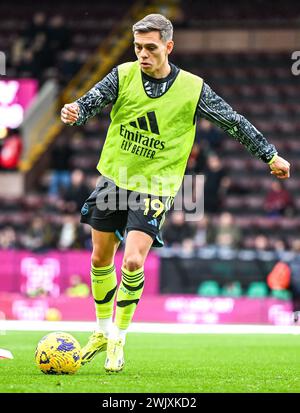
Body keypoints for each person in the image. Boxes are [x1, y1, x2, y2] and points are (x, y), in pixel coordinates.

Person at [60, 14, 290, 372]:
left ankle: (118, 338)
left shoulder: (193, 88)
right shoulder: (122, 75)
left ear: (168, 46)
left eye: (150, 48)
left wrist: (270, 155)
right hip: (114, 180)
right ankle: (101, 330)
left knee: (133, 260)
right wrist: (76, 110)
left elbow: (233, 120)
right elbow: (90, 101)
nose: (142, 54)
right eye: (137, 47)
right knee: (99, 259)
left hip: (155, 187)